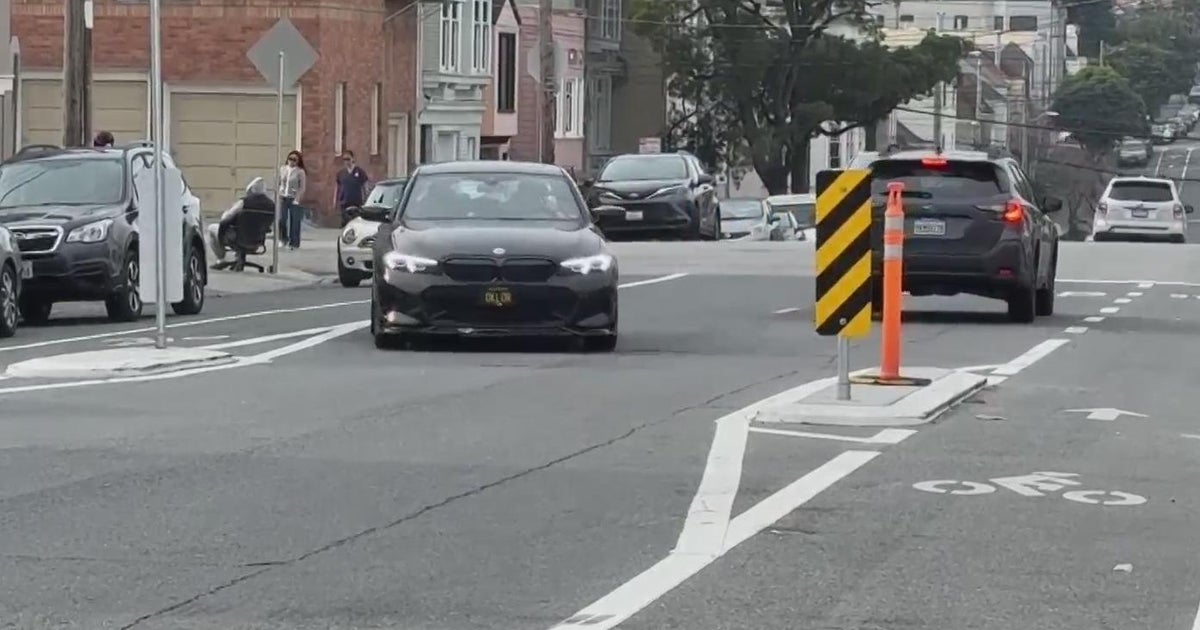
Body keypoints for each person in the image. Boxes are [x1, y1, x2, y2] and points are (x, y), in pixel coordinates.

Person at [206, 177, 275, 267]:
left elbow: (226, 218)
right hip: (257, 241)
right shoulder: (271, 205)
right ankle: (239, 258)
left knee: (211, 228)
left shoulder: (244, 203)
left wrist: (225, 214)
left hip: (238, 238)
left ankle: (221, 259)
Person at [278, 150, 308, 250]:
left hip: (294, 198)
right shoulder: (283, 169)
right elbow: (279, 182)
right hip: (283, 197)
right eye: (290, 159)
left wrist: (297, 198)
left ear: (298, 161)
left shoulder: (300, 171)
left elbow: (302, 187)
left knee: (295, 221)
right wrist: (279, 192)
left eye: (294, 160)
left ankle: (294, 243)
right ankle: (283, 239)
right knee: (282, 219)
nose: (292, 161)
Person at [334, 150, 369, 227]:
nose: (346, 162)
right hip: (344, 202)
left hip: (356, 202)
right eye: (344, 159)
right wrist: (335, 201)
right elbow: (337, 187)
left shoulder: (359, 172)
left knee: (356, 224)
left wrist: (366, 199)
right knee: (345, 224)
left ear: (352, 159)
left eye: (348, 159)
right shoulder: (341, 173)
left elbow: (365, 186)